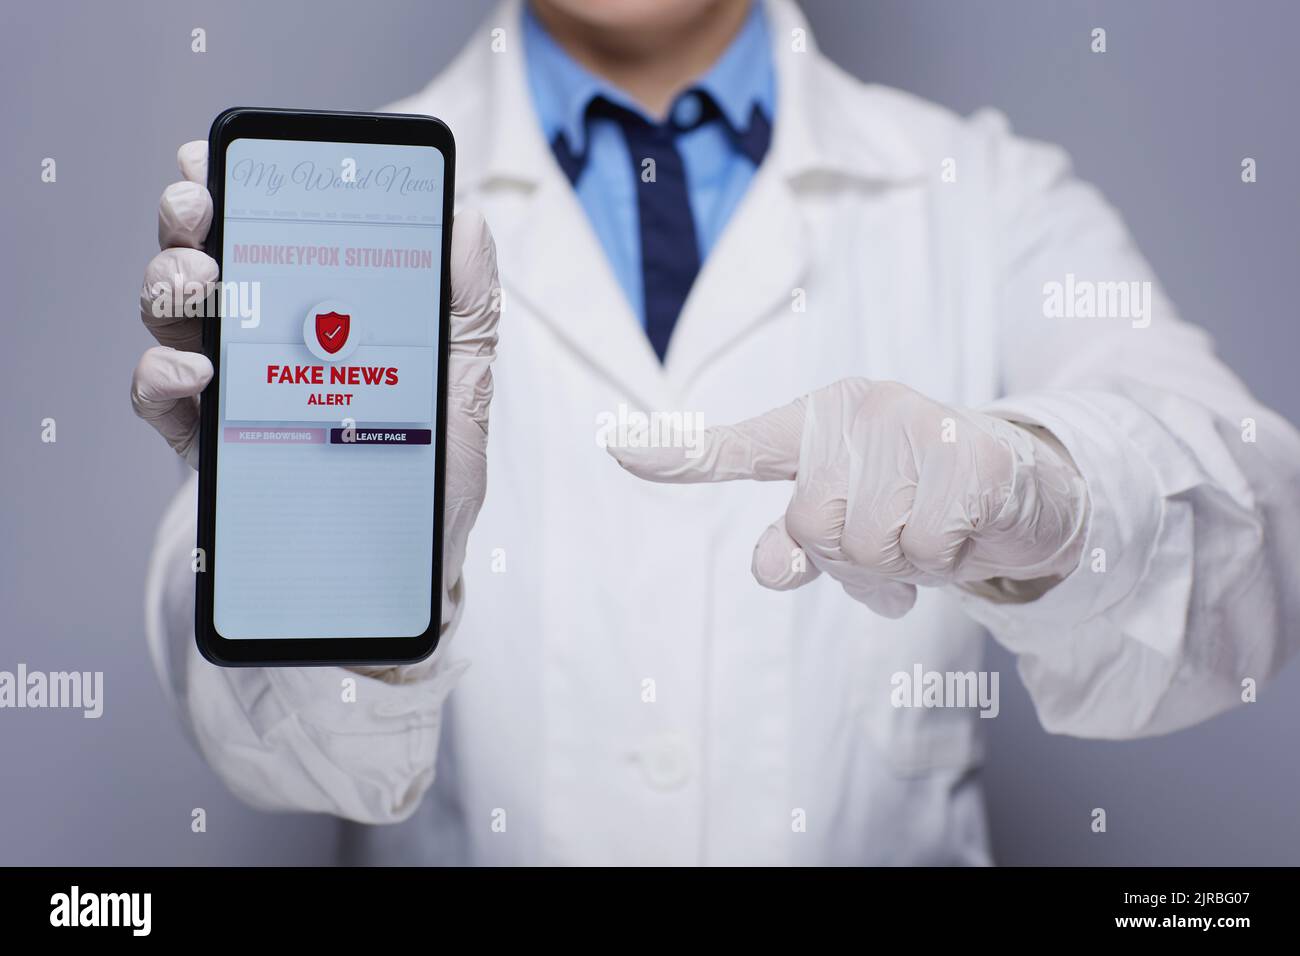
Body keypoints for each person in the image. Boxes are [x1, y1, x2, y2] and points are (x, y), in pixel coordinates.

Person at [131, 0, 1300, 865]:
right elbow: (272, 748)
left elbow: (1252, 551)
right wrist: (345, 559)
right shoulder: (332, 199)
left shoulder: (980, 194)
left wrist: (1043, 493)